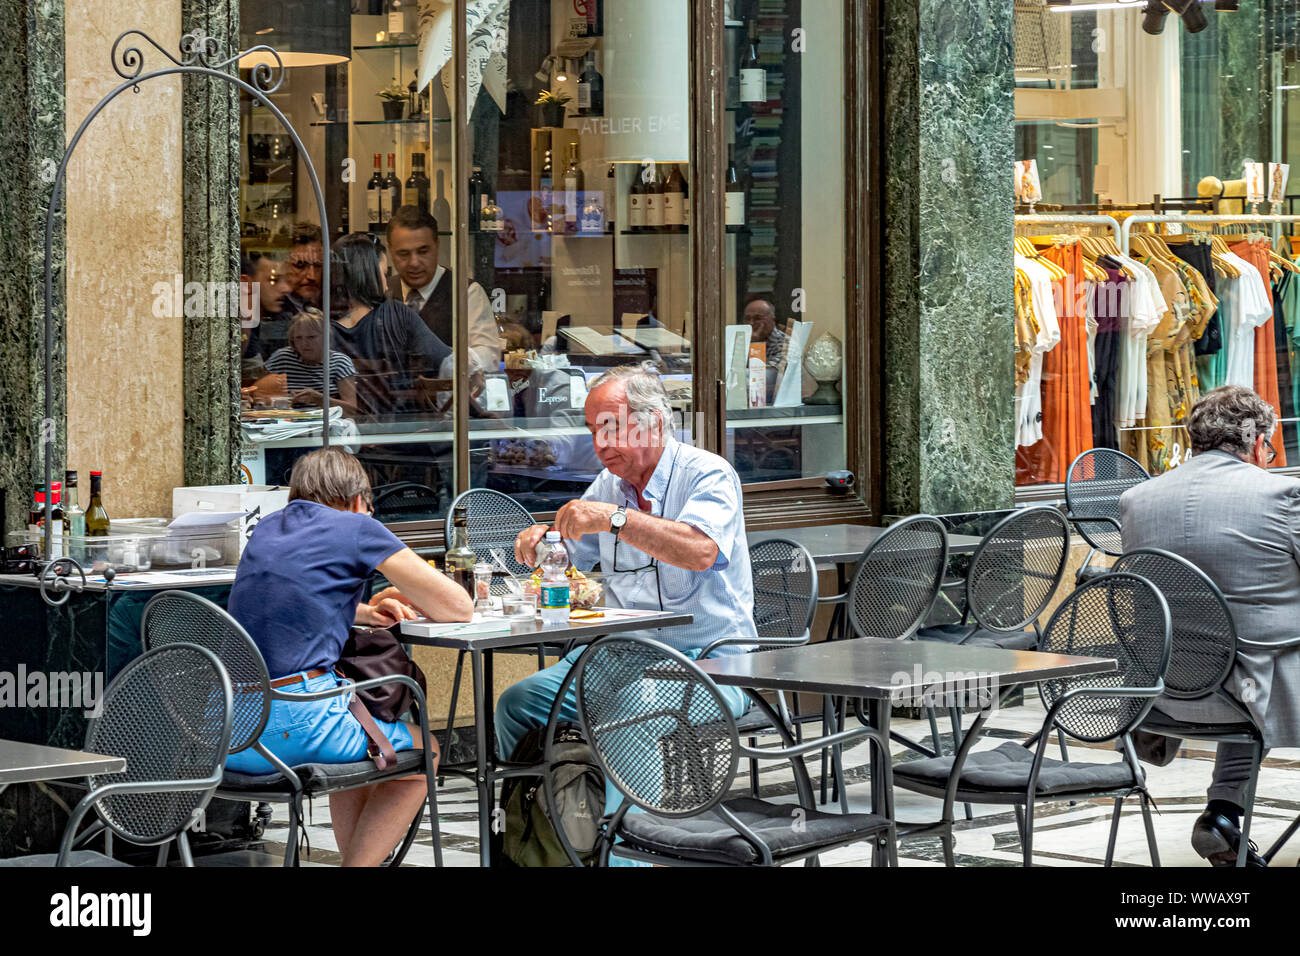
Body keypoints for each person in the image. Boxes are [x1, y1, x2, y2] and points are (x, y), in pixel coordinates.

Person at [498, 364, 757, 769]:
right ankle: (539, 825)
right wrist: (540, 544)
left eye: (611, 428)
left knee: (636, 703)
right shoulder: (609, 484)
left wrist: (615, 519)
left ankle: (624, 832)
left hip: (711, 663)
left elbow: (700, 550)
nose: (599, 444)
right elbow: (568, 555)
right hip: (621, 656)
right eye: (592, 430)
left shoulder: (708, 473)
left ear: (653, 424)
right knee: (519, 704)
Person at [226, 447, 474, 866]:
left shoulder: (268, 528)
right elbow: (459, 607)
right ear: (360, 501)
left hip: (231, 729)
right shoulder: (358, 527)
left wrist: (363, 611)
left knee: (361, 742)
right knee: (426, 752)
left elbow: (292, 599)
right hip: (299, 723)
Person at [1120, 385, 1300, 866]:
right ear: (1258, 443)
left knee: (1239, 657)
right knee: (1260, 659)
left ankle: (1223, 814)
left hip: (1167, 692)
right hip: (1261, 692)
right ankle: (1222, 812)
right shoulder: (1284, 495)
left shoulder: (1137, 499)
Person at [329, 232, 452, 418]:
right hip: (396, 431)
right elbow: (446, 362)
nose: (386, 285)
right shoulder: (396, 315)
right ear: (370, 275)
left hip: (340, 431)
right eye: (384, 274)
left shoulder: (319, 326)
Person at [386, 205, 501, 371]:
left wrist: (445, 358)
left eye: (423, 251)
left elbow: (488, 357)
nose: (414, 262)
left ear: (437, 245)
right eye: (404, 254)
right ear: (390, 251)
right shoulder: (382, 292)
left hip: (448, 396)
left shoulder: (467, 292)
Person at [265, 308, 359, 416]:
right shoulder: (282, 358)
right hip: (288, 422)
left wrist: (319, 399)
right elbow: (259, 392)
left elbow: (351, 411)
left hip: (328, 424)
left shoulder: (340, 362)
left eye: (311, 337)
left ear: (326, 337)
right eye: (299, 338)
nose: (304, 343)